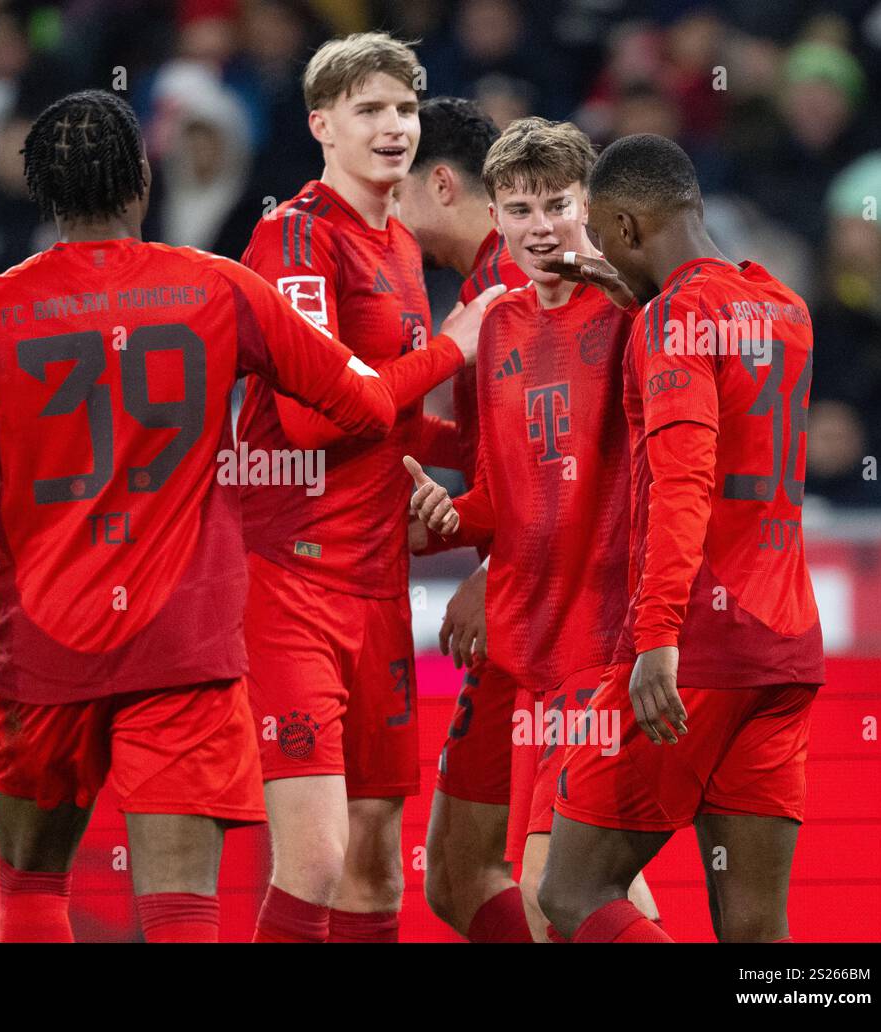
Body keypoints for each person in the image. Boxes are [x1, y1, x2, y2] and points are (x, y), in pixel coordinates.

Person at [0, 89, 491, 943]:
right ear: (144, 180)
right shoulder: (220, 289)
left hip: (40, 647)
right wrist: (454, 344)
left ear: (40, 191)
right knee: (180, 904)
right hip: (181, 647)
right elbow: (362, 407)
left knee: (33, 886)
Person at [239, 33, 502, 944]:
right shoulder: (295, 237)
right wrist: (451, 350)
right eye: (369, 111)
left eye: (404, 109)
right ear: (322, 126)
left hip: (377, 582)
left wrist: (477, 439)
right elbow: (315, 421)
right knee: (311, 861)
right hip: (291, 583)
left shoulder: (396, 243)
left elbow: (378, 413)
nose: (394, 127)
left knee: (377, 851)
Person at [535, 133, 823, 943]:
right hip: (784, 649)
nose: (596, 251)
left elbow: (684, 482)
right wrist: (635, 292)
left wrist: (658, 637)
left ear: (627, 226)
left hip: (694, 645)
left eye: (600, 233)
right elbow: (725, 355)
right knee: (758, 935)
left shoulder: (675, 317)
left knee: (572, 892)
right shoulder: (785, 308)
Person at [404, 117, 659, 940]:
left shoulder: (634, 313)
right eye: (519, 210)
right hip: (530, 644)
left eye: (557, 205)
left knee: (565, 889)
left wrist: (639, 288)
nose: (540, 227)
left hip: (604, 641)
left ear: (590, 206)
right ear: (498, 218)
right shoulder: (496, 323)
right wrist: (446, 519)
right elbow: (502, 495)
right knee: (551, 894)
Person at [397, 95, 532, 941]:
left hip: (550, 604)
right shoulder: (493, 282)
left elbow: (570, 460)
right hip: (536, 590)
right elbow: (506, 453)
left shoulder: (512, 285)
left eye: (397, 184)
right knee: (465, 872)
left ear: (441, 182)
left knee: (562, 870)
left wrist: (492, 572)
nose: (385, 204)